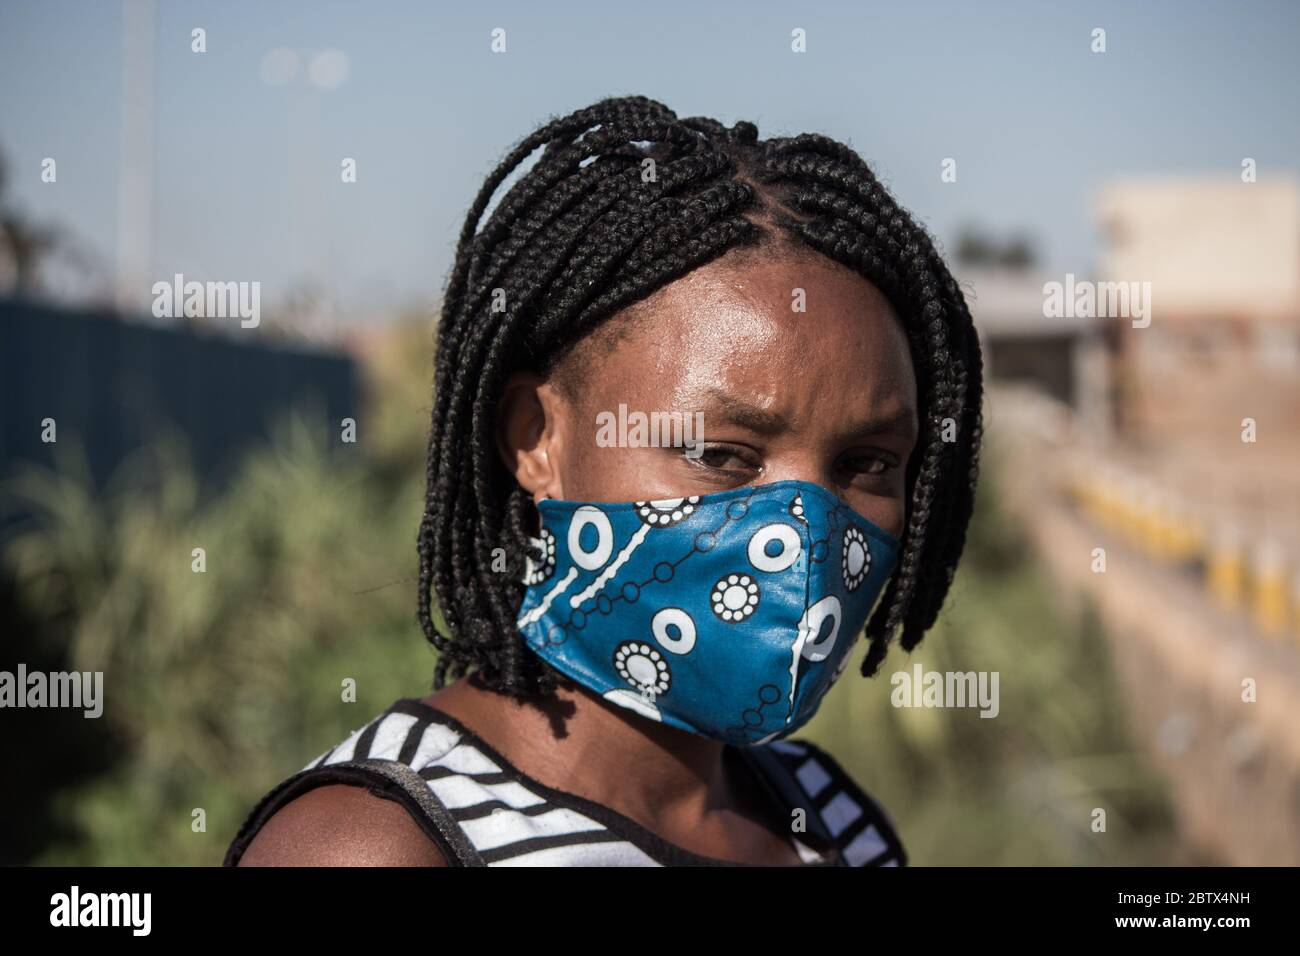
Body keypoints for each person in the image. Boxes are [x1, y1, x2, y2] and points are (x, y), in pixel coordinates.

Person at [225, 94, 983, 868]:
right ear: (536, 439)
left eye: (866, 464)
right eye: (720, 454)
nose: (807, 534)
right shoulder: (381, 845)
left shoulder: (831, 816)